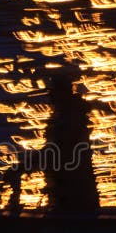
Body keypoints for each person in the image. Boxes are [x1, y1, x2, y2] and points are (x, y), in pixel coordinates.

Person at [43, 73, 100, 213]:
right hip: (67, 190)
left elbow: (61, 151)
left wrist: (26, 164)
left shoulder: (70, 118)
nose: (50, 97)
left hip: (73, 194)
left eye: (53, 92)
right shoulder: (68, 115)